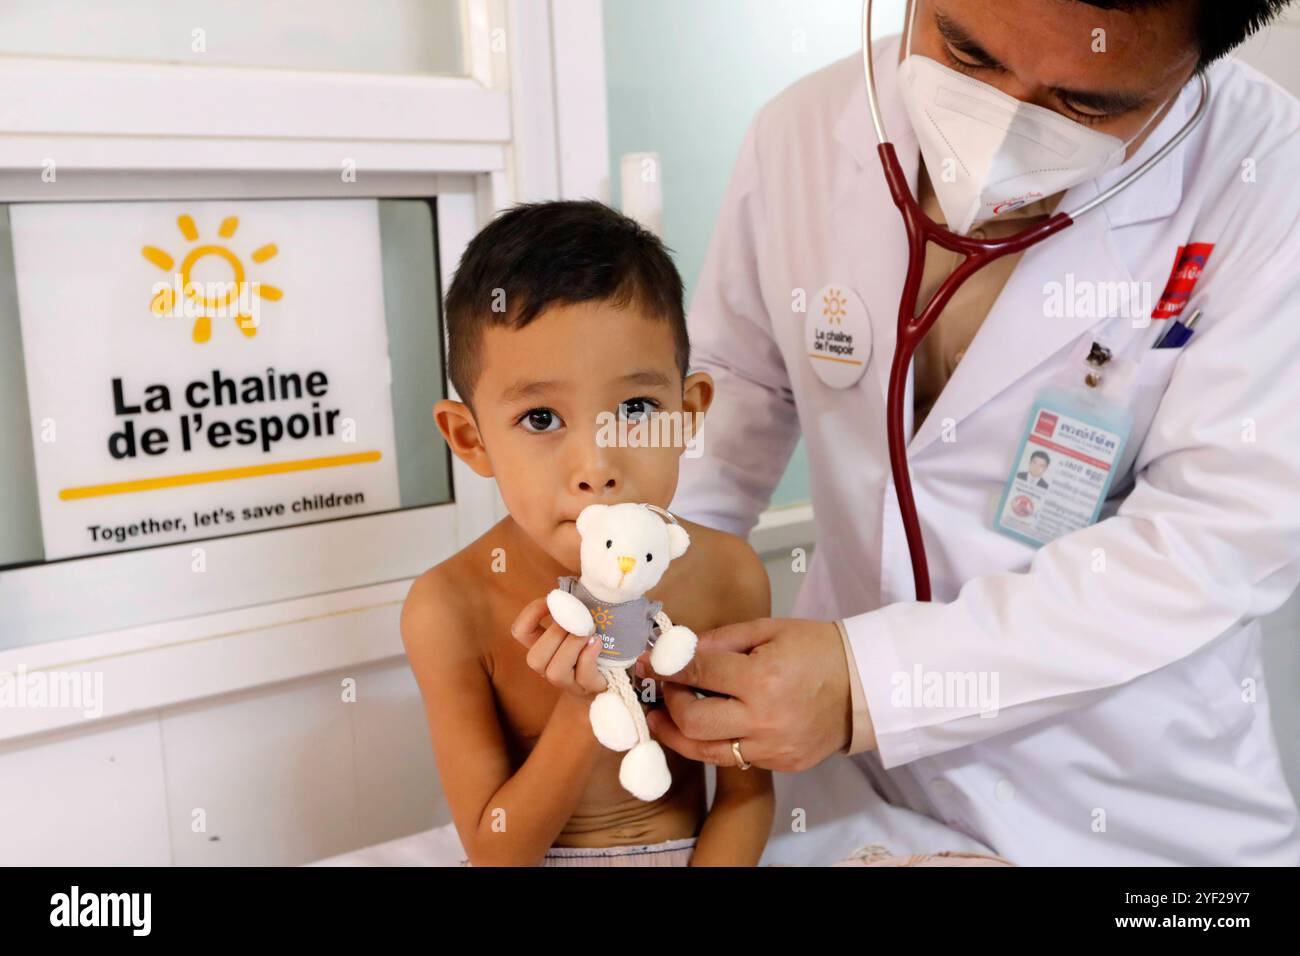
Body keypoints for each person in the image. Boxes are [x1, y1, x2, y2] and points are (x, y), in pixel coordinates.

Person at [650, 0, 1300, 864]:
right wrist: (637, 576)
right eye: (965, 51)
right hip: (854, 791)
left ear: (1197, 62)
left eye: (1085, 105)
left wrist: (870, 683)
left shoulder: (1269, 181)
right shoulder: (802, 133)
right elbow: (730, 396)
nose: (1001, 126)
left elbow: (1216, 536)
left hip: (1123, 814)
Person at [400, 200, 775, 866]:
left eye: (636, 409)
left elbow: (745, 798)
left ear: (686, 417)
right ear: (471, 438)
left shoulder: (729, 574)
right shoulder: (448, 607)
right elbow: (495, 853)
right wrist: (584, 707)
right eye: (541, 419)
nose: (597, 469)